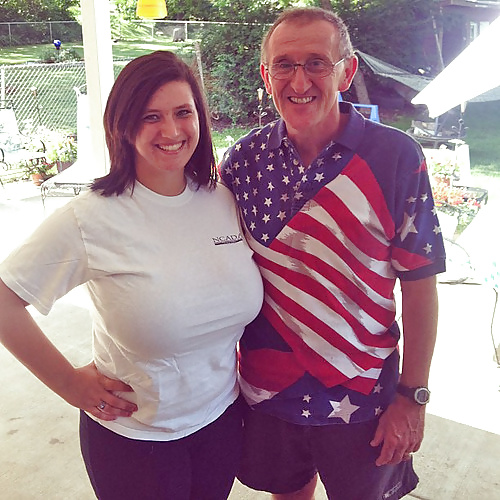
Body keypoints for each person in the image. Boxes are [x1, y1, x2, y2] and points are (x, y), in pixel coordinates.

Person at [0, 51, 263, 500]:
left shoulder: (222, 200)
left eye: (183, 113)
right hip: (135, 440)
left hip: (221, 423)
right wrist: (68, 383)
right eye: (150, 117)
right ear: (123, 124)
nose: (171, 131)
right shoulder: (90, 218)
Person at [219, 7, 446, 500]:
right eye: (284, 65)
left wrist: (413, 397)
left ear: (347, 71)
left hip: (365, 395)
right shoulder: (242, 161)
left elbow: (420, 285)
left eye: (317, 63)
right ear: (266, 76)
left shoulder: (396, 157)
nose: (299, 81)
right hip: (269, 388)